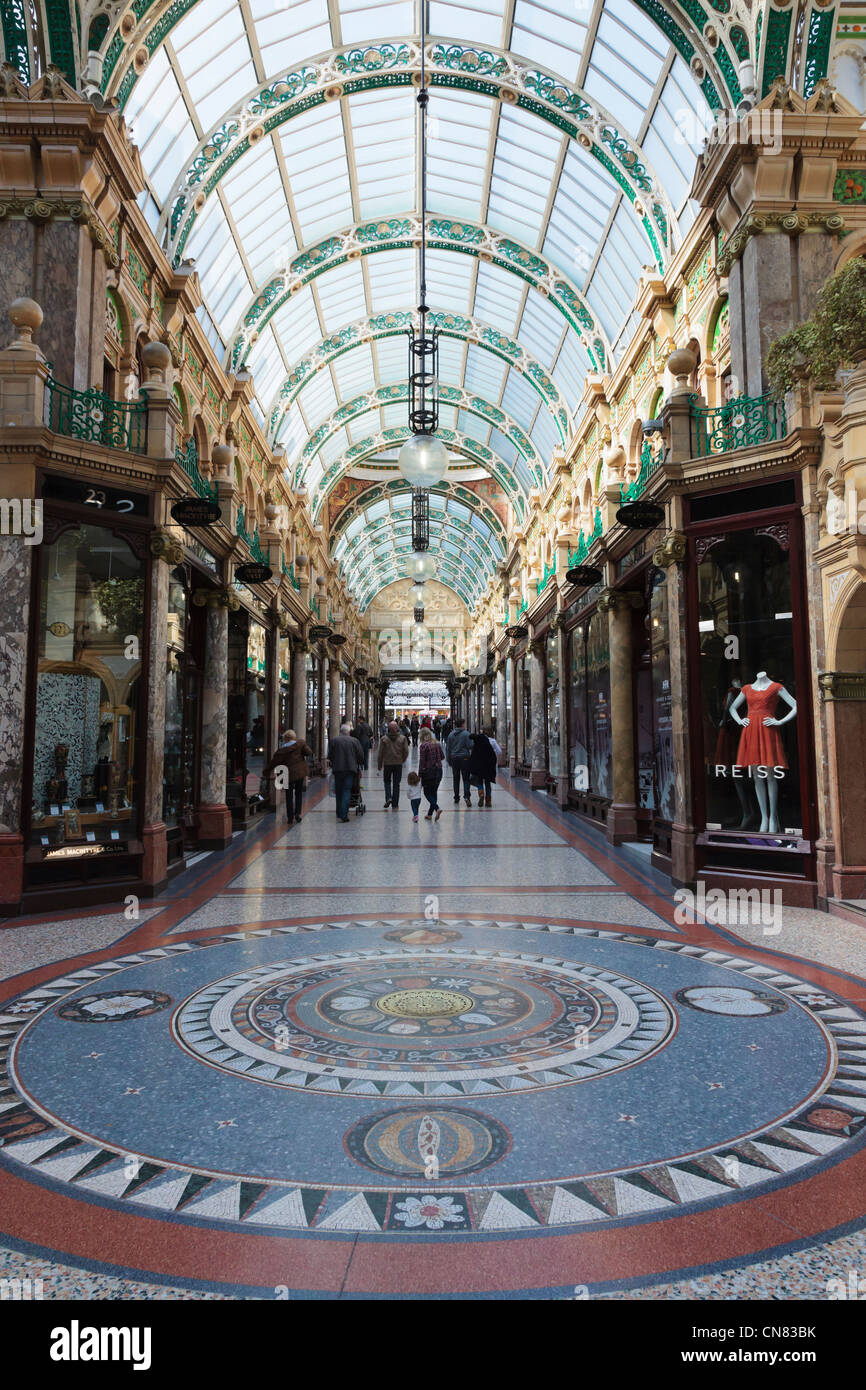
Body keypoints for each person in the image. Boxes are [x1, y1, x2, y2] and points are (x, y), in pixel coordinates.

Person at [264, 728, 312, 825]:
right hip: (299, 773)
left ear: (285, 738)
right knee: (298, 793)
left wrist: (266, 771)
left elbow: (274, 762)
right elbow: (309, 752)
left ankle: (290, 817)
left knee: (288, 795)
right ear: (294, 737)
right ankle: (297, 813)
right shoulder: (300, 744)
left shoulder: (281, 750)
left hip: (287, 774)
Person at [327, 722, 364, 823]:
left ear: (340, 731)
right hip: (350, 769)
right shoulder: (354, 741)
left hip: (337, 769)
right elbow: (360, 755)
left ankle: (339, 812)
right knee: (346, 790)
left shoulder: (334, 740)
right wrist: (360, 762)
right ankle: (344, 814)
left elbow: (330, 755)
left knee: (338, 790)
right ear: (349, 732)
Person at [378, 719, 409, 808]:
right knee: (396, 783)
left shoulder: (384, 739)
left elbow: (380, 753)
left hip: (387, 764)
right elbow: (406, 751)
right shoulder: (402, 738)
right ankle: (395, 803)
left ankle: (388, 797)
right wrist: (402, 760)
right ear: (397, 728)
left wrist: (380, 764)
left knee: (387, 781)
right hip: (398, 764)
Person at [445, 717, 473, 806]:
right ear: (462, 724)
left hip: (454, 758)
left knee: (456, 778)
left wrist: (448, 759)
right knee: (466, 778)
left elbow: (448, 748)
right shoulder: (466, 734)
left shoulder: (451, 734)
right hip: (464, 758)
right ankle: (467, 796)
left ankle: (456, 797)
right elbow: (470, 746)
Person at [469, 725, 499, 807]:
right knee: (488, 783)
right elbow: (497, 753)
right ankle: (488, 801)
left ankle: (481, 794)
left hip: (479, 767)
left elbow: (473, 756)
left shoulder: (477, 743)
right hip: (488, 767)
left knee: (479, 781)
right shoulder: (491, 741)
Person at [418, 726, 444, 820]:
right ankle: (429, 814)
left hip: (428, 772)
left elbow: (422, 761)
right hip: (439, 771)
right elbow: (442, 757)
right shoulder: (437, 744)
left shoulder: (423, 746)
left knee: (426, 792)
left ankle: (437, 808)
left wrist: (420, 774)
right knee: (434, 792)